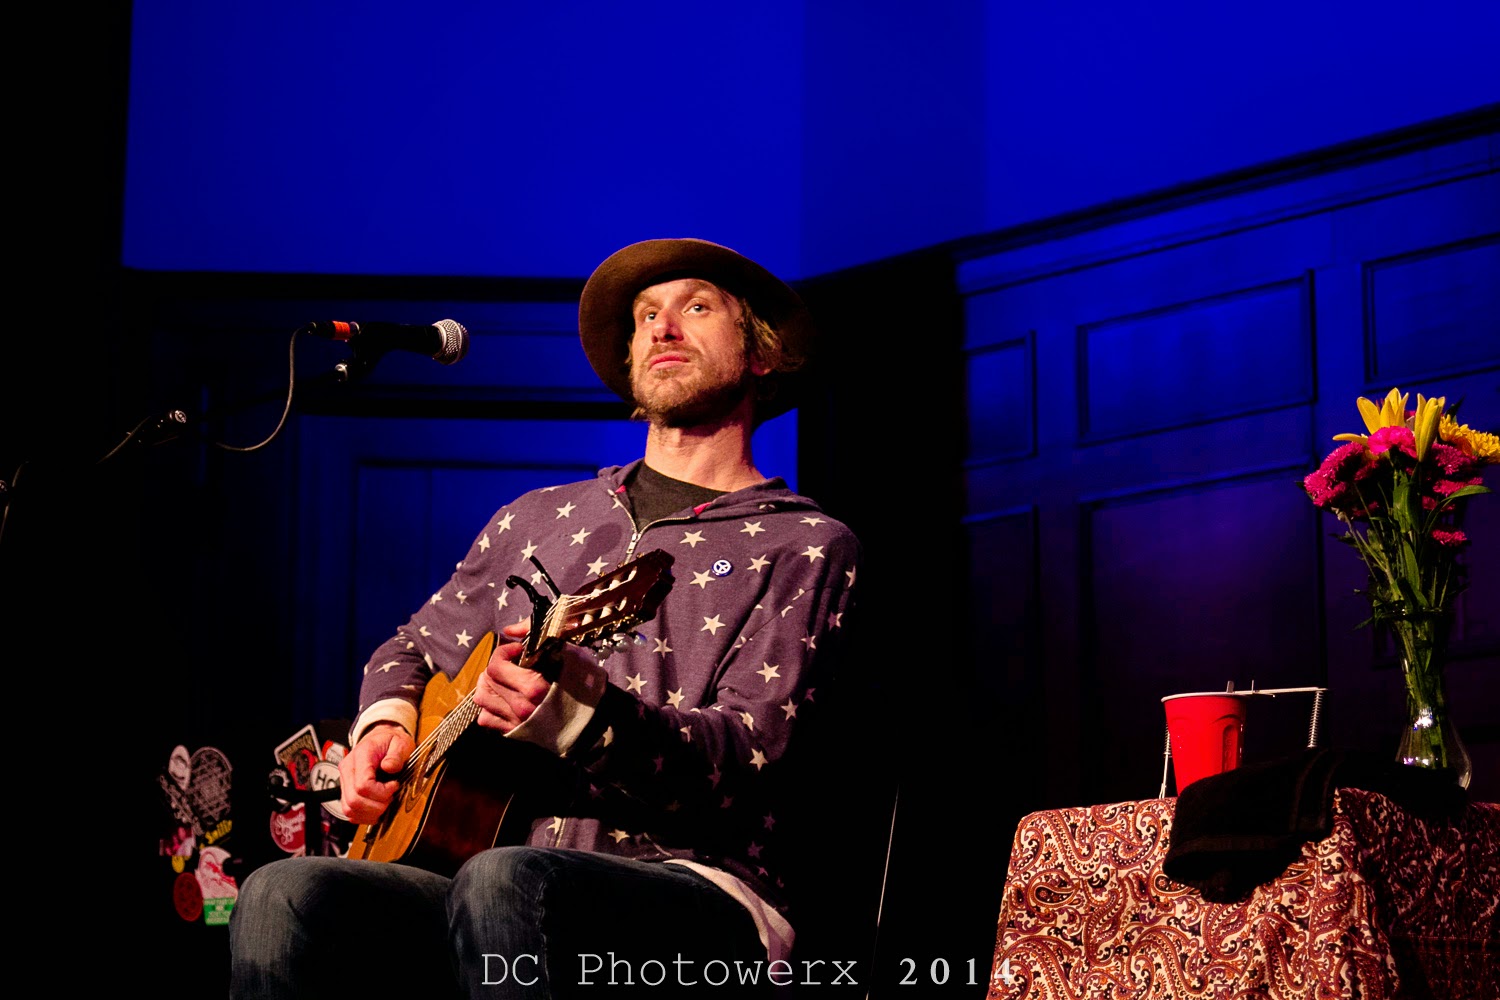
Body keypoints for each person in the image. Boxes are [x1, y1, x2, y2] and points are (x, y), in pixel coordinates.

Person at [228, 238, 863, 998]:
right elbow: (411, 648)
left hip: (703, 888)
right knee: (284, 891)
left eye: (695, 308)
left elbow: (751, 755)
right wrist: (386, 730)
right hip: (491, 880)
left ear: (760, 353)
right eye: (645, 316)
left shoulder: (807, 544)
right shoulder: (541, 519)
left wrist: (580, 715)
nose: (663, 328)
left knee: (505, 880)